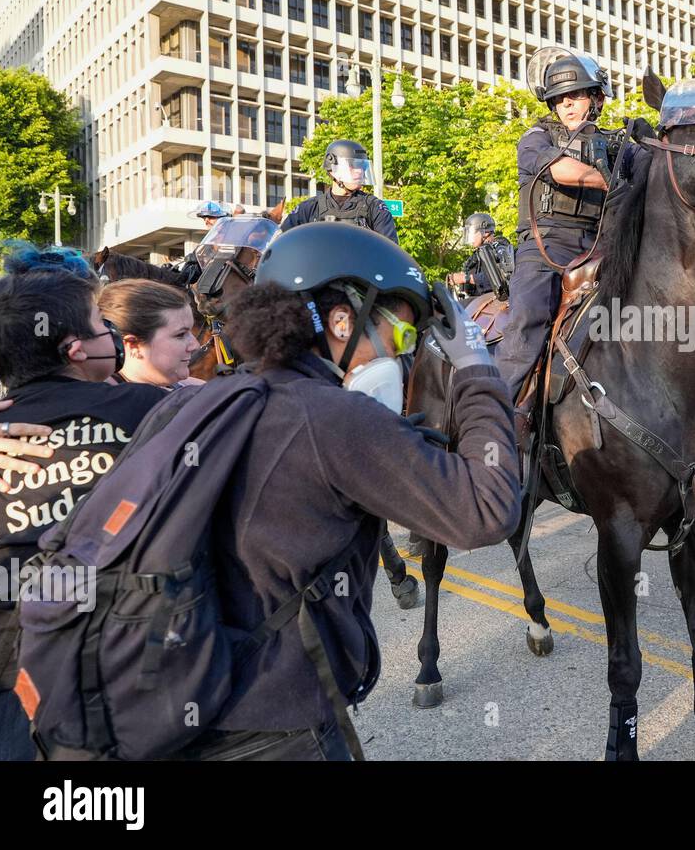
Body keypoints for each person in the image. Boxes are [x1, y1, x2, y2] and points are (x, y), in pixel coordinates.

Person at [143, 222, 517, 760]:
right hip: (278, 725)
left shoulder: (201, 400)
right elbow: (487, 510)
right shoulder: (335, 418)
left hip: (180, 709)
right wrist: (478, 371)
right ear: (342, 320)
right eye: (403, 336)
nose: (403, 359)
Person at [0, 255, 168, 760]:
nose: (110, 334)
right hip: (123, 669)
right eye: (100, 324)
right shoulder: (150, 410)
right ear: (74, 349)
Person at [496, 48, 633, 432]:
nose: (567, 103)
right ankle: (491, 419)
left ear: (597, 98)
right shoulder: (536, 138)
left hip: (602, 248)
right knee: (528, 322)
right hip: (547, 249)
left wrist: (654, 145)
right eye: (560, 98)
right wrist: (615, 179)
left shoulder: (618, 142)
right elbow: (564, 170)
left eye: (576, 95)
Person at [280, 139, 398, 243]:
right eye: (353, 165)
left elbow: (390, 251)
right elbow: (281, 244)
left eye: (363, 167)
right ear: (332, 169)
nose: (359, 171)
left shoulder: (375, 207)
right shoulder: (309, 209)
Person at [99, 278, 204, 388]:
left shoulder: (196, 390)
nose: (195, 345)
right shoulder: (106, 403)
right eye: (180, 335)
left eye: (190, 332)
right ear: (132, 345)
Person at [450, 212, 514, 299]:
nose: (470, 238)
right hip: (477, 301)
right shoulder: (476, 254)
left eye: (472, 233)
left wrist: (465, 278)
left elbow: (501, 277)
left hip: (496, 301)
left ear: (485, 233)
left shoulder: (500, 249)